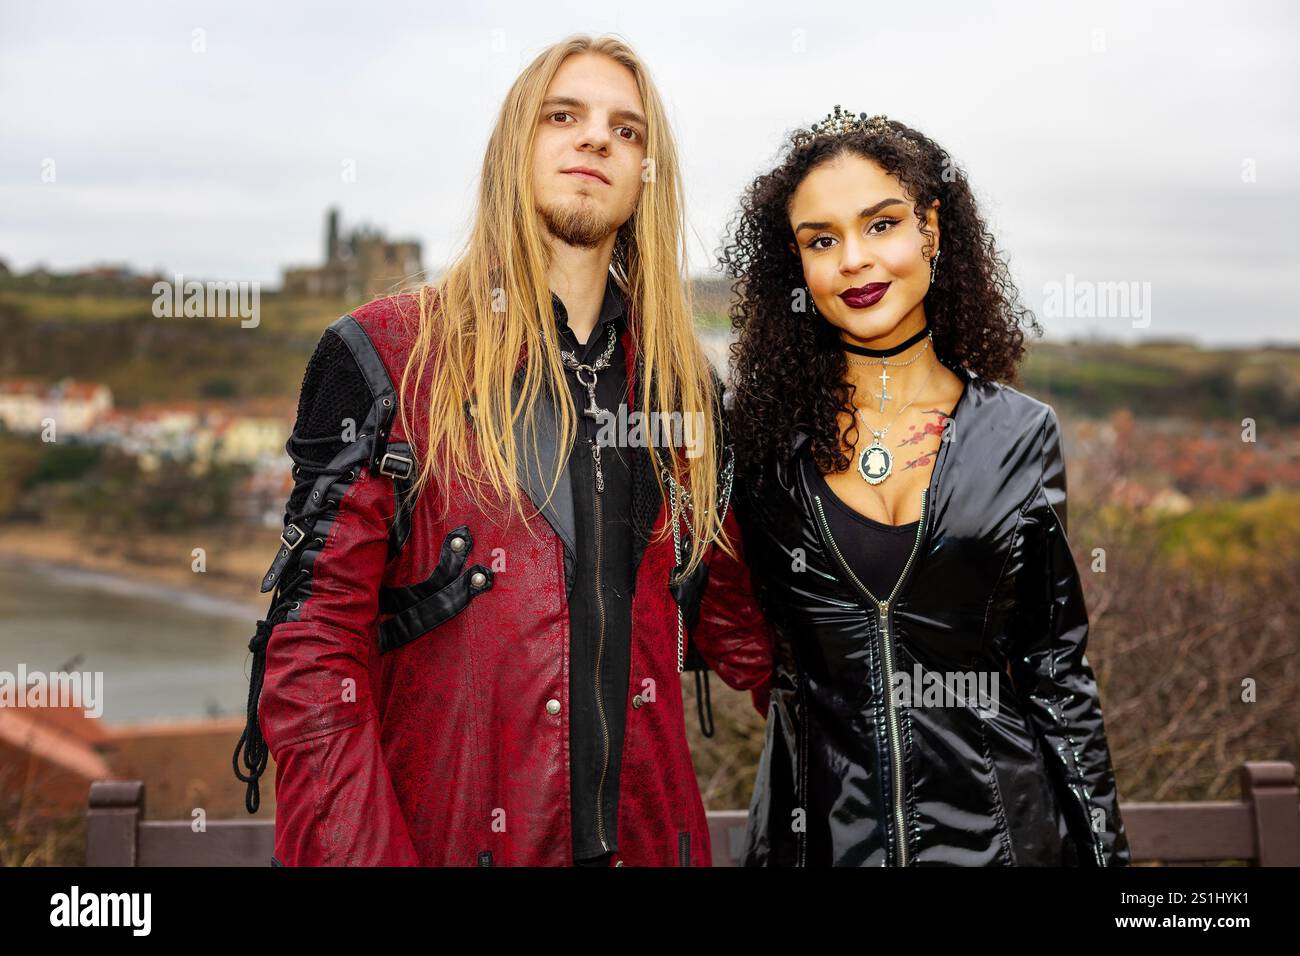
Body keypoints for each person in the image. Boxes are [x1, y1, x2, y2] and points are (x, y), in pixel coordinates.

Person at [231, 33, 772, 867]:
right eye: (565, 115)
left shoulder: (685, 390)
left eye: (628, 131)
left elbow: (748, 624)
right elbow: (313, 656)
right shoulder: (386, 355)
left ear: (647, 182)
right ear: (515, 146)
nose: (597, 139)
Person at [722, 106, 1130, 866]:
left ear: (931, 230)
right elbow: (712, 618)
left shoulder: (1019, 434)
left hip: (1006, 844)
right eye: (821, 240)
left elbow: (1056, 671)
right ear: (797, 268)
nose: (853, 260)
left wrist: (1108, 860)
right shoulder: (755, 442)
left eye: (881, 225)